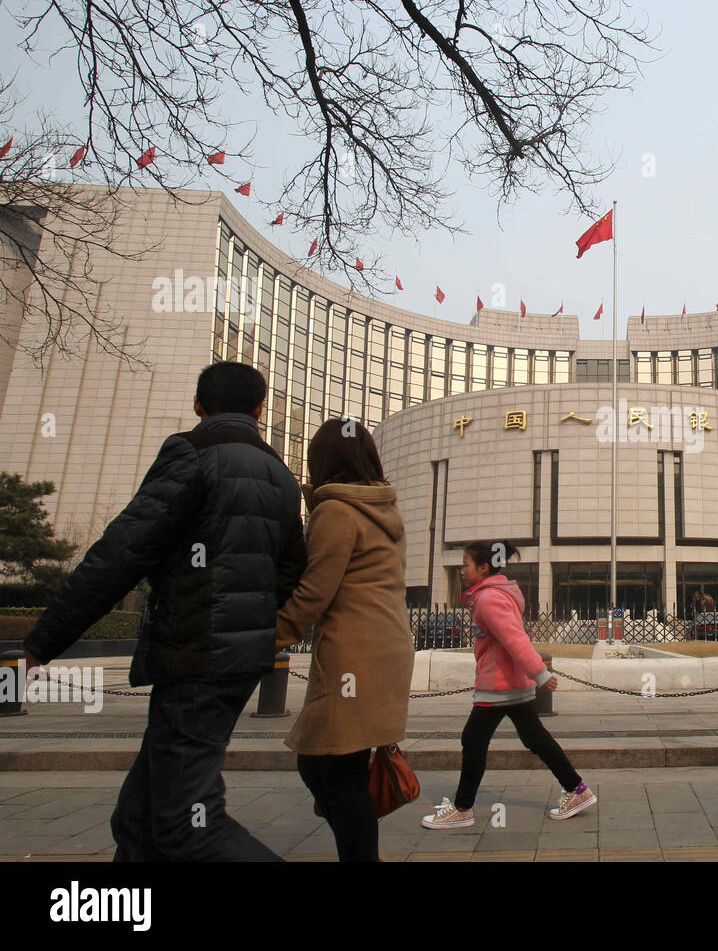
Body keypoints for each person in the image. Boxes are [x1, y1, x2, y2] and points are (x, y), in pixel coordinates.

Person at [22, 362, 306, 861]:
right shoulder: (281, 476)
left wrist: (42, 641)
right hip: (239, 660)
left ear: (199, 404)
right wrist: (254, 629)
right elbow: (291, 570)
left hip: (195, 655)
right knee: (139, 819)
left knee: (184, 823)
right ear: (261, 409)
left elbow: (122, 552)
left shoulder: (193, 454)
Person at [275, 418, 414, 862]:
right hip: (387, 646)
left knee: (327, 766)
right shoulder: (387, 510)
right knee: (340, 767)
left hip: (354, 650)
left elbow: (316, 590)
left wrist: (272, 636)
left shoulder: (335, 510)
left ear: (324, 461)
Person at [422, 541, 595, 828]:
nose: (462, 571)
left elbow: (515, 639)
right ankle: (577, 790)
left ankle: (462, 809)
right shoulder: (493, 595)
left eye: (466, 565)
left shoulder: (489, 599)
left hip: (499, 686)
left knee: (473, 741)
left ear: (483, 567)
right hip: (511, 685)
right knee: (534, 738)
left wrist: (540, 673)